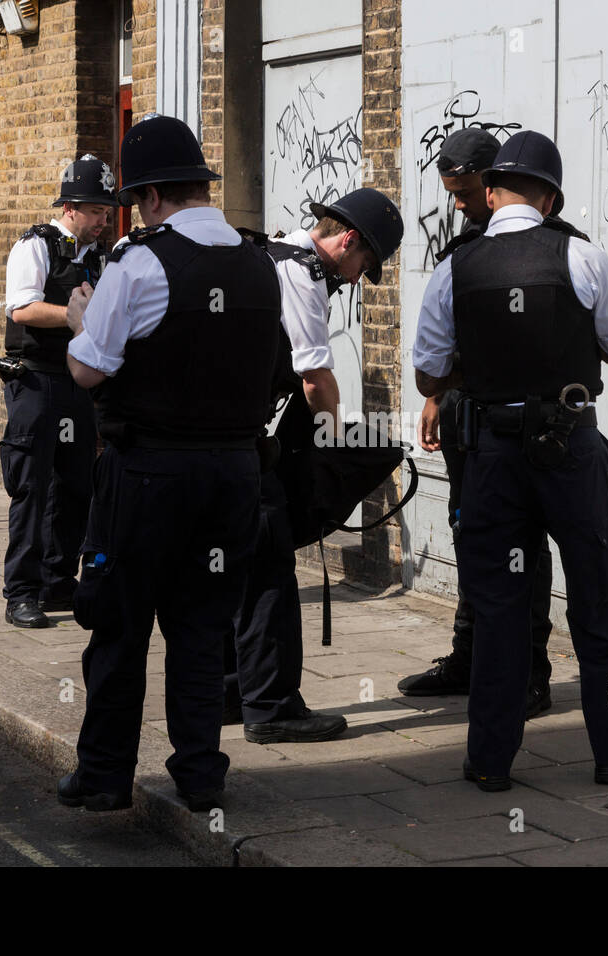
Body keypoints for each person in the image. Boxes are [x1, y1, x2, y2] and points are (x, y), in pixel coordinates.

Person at [412, 129, 608, 790]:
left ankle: (489, 762)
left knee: (498, 606)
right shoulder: (583, 257)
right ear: (551, 198)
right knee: (595, 598)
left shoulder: (453, 268)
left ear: (490, 193)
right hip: (570, 443)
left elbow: (429, 377)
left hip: (492, 451)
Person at [56, 114, 283, 812]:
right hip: (234, 475)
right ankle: (201, 777)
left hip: (149, 476)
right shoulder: (259, 260)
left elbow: (89, 372)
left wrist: (79, 321)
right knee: (202, 630)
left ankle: (102, 779)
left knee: (120, 627)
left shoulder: (139, 262)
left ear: (150, 197)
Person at [223, 187, 404, 743]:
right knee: (269, 574)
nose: (356, 278)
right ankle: (273, 709)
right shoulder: (301, 273)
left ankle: (231, 694)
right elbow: (315, 376)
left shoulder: (262, 253)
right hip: (241, 449)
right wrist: (334, 435)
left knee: (232, 575)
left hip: (210, 444)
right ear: (346, 240)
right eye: (363, 264)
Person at [399, 127, 556, 719]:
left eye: (465, 194)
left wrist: (447, 382)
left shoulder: (536, 248)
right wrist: (439, 396)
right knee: (472, 536)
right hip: (470, 417)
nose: (459, 205)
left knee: (523, 546)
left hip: (524, 425)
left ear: (494, 186)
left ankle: (531, 672)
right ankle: (470, 656)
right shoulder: (465, 249)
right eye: (452, 194)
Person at [0, 155, 114, 628]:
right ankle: (21, 593)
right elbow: (21, 309)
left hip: (79, 383)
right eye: (96, 211)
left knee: (75, 486)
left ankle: (58, 581)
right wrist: (73, 317)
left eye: (107, 212)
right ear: (69, 208)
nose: (104, 221)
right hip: (37, 380)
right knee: (32, 484)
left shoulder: (102, 258)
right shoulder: (36, 246)